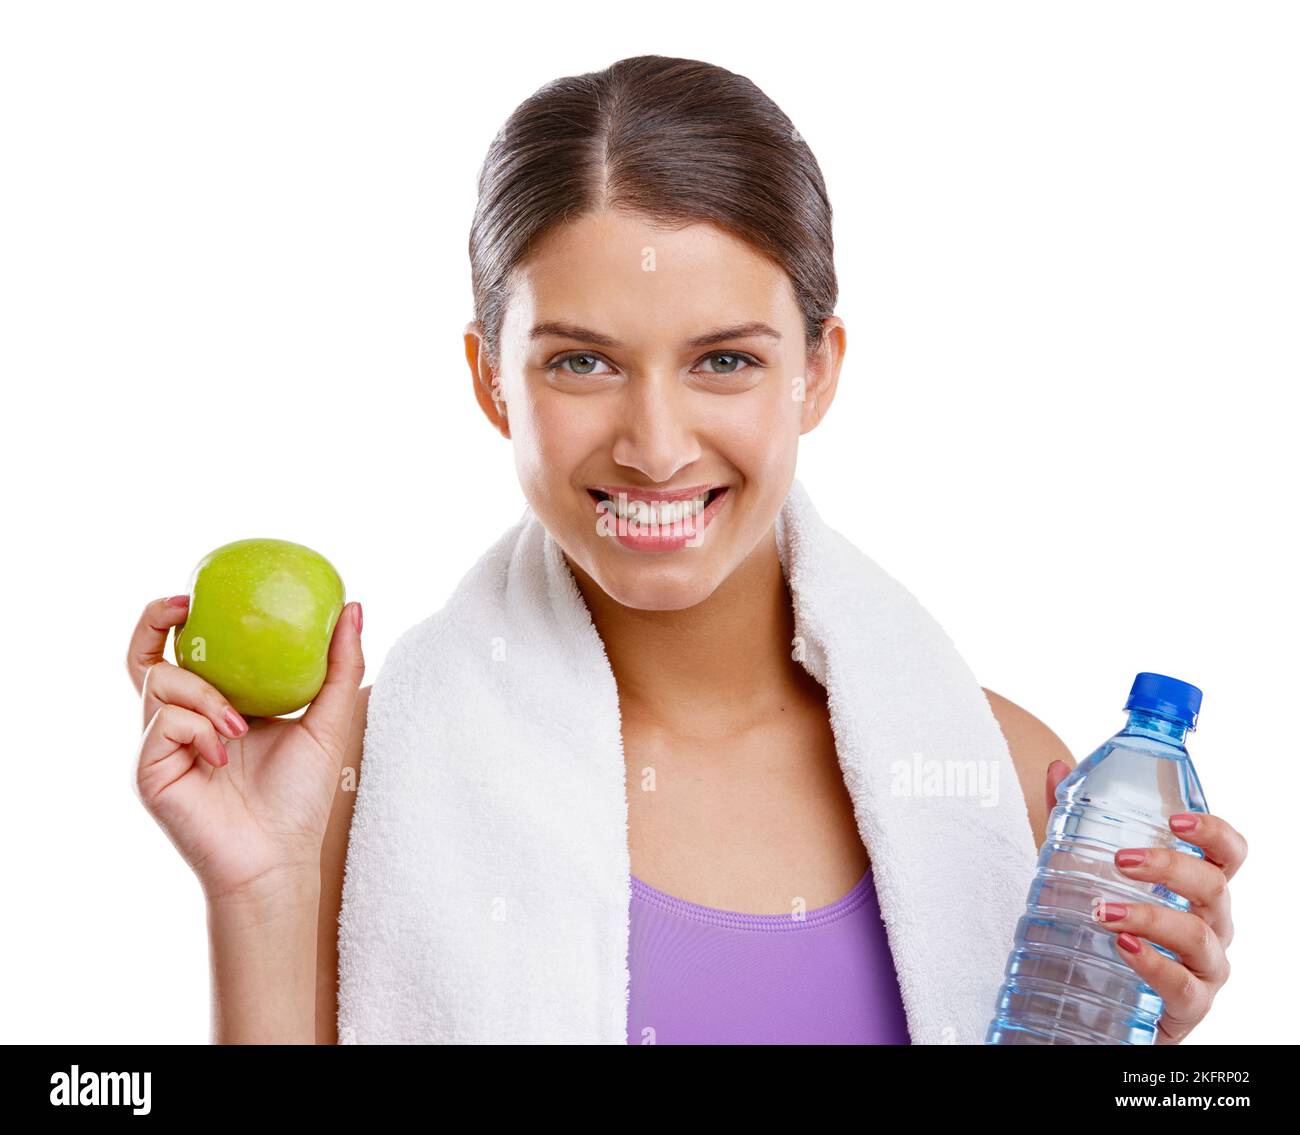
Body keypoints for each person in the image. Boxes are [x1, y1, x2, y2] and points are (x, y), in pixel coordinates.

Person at [126, 54, 1244, 1044]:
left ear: (816, 370)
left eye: (723, 361)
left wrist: (1137, 1056)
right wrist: (260, 890)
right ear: (487, 380)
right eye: (581, 362)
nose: (656, 447)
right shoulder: (354, 787)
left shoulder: (1007, 776)